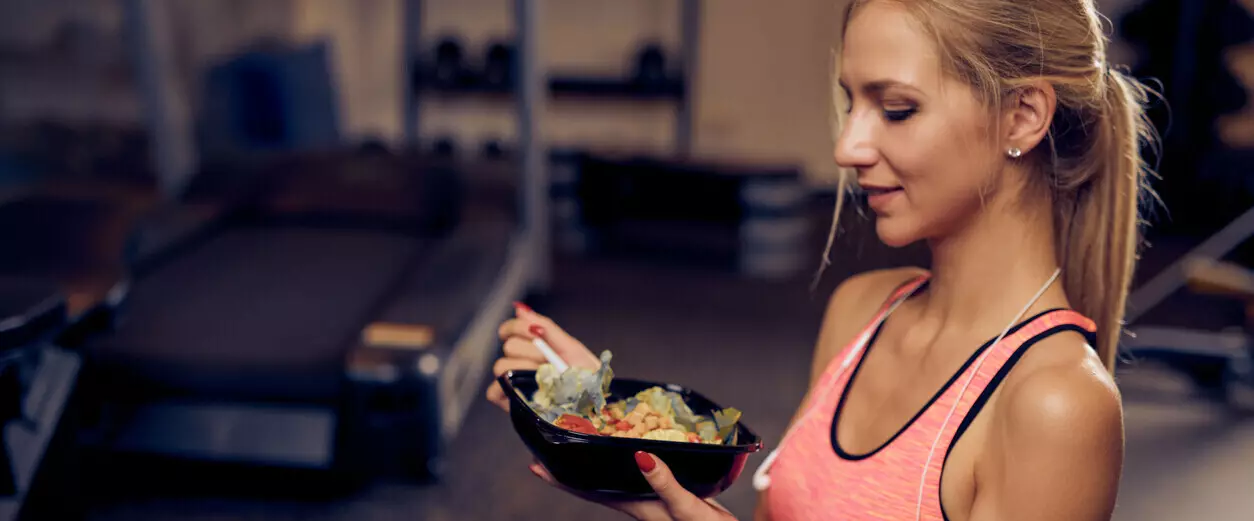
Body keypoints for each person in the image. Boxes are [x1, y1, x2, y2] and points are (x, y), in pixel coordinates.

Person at [486, 0, 1157, 518]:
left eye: (896, 109)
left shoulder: (1055, 403)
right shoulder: (863, 312)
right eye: (851, 103)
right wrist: (602, 418)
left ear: (1022, 116)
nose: (847, 147)